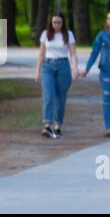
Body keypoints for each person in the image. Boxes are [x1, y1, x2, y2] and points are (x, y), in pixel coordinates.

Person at [34, 11, 80, 139]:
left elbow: (73, 54)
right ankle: (47, 124)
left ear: (63, 23)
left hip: (63, 67)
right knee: (48, 94)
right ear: (51, 22)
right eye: (54, 22)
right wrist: (37, 70)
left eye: (59, 22)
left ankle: (58, 125)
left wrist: (75, 68)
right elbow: (41, 54)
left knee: (60, 97)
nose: (57, 25)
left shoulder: (69, 35)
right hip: (48, 67)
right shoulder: (46, 34)